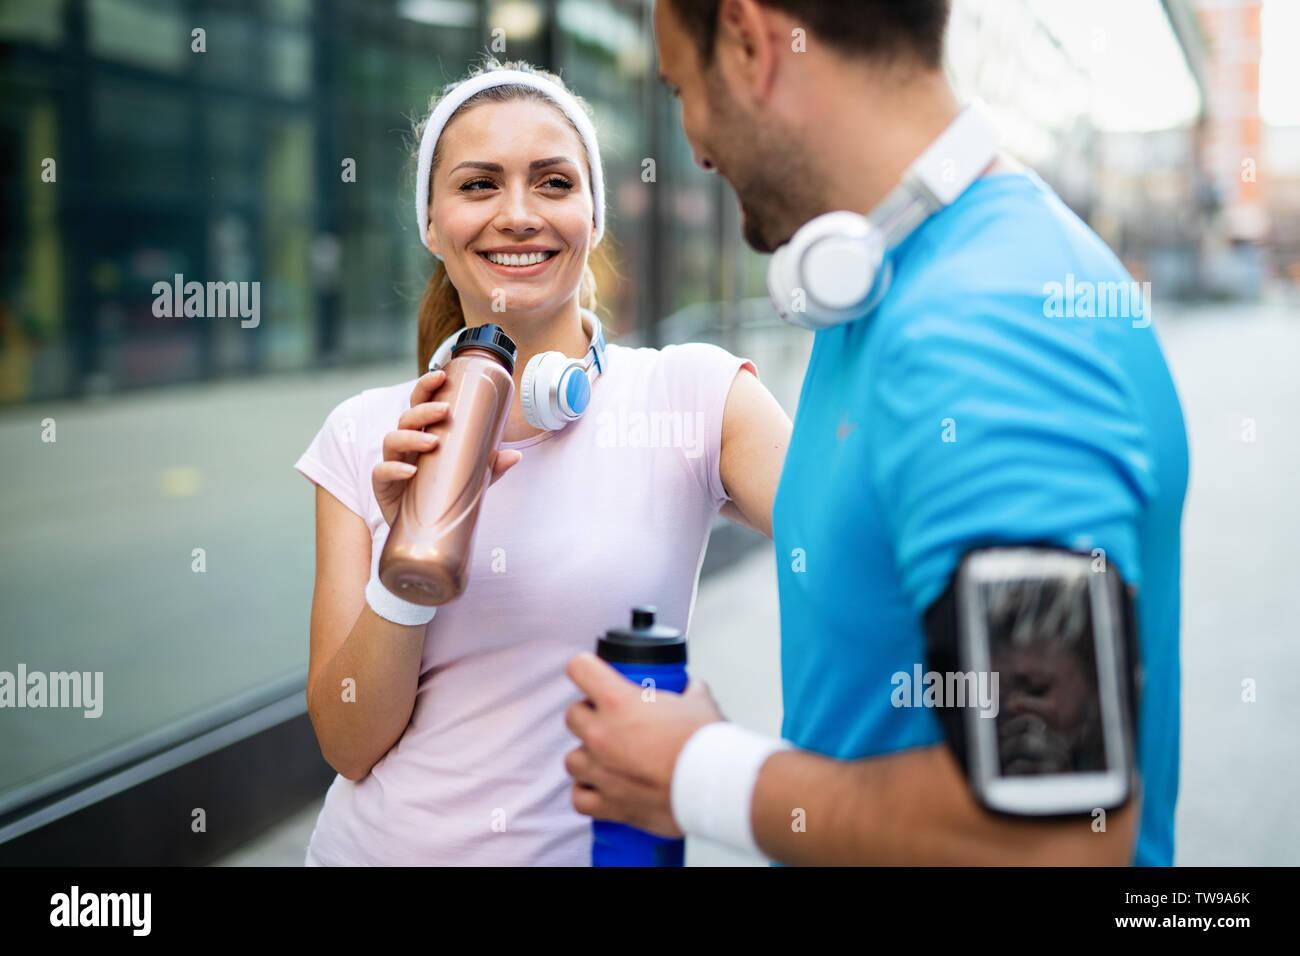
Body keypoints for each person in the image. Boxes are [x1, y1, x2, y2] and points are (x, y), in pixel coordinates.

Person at [564, 0, 1188, 866]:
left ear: (749, 42)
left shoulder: (986, 328)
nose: (694, 142)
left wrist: (696, 772)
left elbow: (1055, 836)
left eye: (680, 87)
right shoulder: (882, 285)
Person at [293, 58, 792, 865]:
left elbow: (857, 536)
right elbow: (349, 746)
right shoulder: (363, 433)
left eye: (554, 183)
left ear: (594, 218)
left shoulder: (693, 394)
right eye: (479, 185)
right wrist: (407, 560)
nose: (518, 215)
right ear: (431, 223)